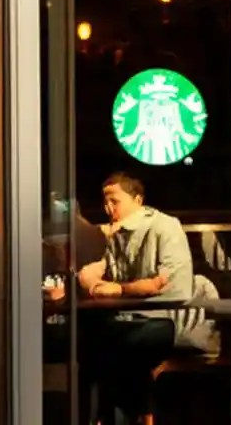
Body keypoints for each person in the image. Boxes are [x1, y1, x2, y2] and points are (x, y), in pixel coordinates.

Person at [77, 172, 193, 424]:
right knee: (91, 340)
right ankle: (129, 414)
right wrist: (97, 283)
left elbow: (168, 283)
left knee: (115, 348)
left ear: (137, 200)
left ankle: (112, 417)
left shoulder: (164, 226)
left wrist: (119, 289)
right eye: (105, 202)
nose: (108, 208)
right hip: (125, 318)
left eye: (115, 201)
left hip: (164, 320)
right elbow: (93, 273)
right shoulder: (117, 235)